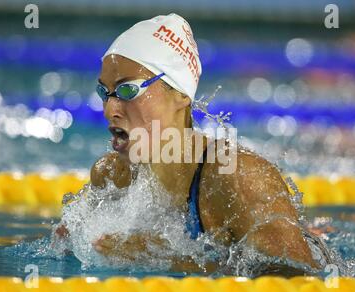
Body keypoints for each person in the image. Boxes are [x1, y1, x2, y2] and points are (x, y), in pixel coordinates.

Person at [56, 13, 319, 274]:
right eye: (105, 92)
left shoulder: (237, 178)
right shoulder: (113, 177)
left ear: (181, 95)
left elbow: (298, 282)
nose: (109, 109)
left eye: (128, 90)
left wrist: (167, 260)